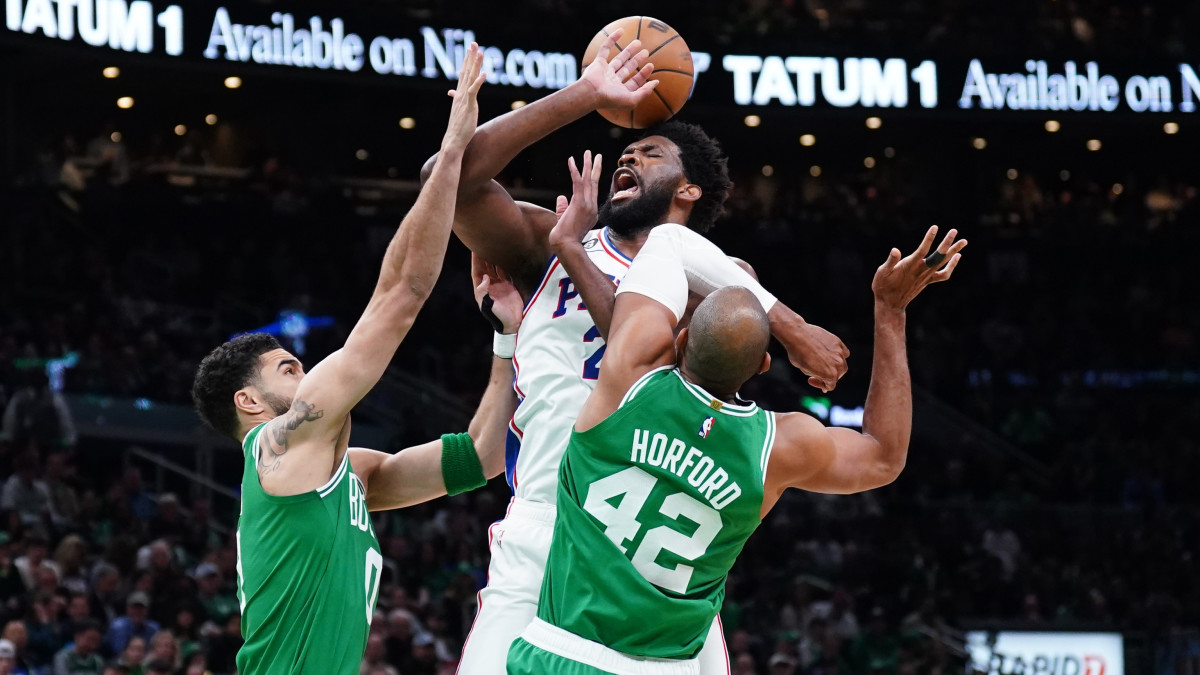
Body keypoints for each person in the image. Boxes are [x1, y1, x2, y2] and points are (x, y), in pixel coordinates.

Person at [439, 30, 849, 675]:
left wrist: (787, 323)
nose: (627, 159)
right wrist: (585, 94)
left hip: (654, 543)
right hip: (549, 515)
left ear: (689, 190)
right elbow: (451, 182)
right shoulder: (554, 240)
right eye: (625, 153)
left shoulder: (724, 292)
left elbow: (651, 369)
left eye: (650, 154)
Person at [505, 163, 966, 672]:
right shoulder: (777, 447)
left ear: (680, 340)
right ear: (763, 365)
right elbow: (884, 457)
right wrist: (890, 311)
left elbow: (669, 241)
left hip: (560, 651)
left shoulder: (626, 380)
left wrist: (791, 328)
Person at [188, 44, 517, 675]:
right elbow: (401, 293)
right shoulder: (280, 444)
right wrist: (451, 153)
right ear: (249, 402)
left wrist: (505, 338)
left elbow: (482, 457)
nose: (308, 373)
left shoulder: (352, 474)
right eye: (288, 369)